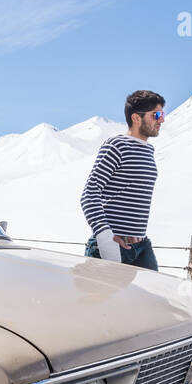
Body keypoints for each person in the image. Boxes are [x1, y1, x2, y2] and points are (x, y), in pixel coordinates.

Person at [80, 90, 165, 271]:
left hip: (141, 246)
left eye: (162, 114)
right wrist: (105, 238)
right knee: (101, 300)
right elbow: (89, 193)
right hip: (112, 244)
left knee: (153, 297)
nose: (161, 120)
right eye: (156, 115)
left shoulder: (148, 151)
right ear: (136, 118)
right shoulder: (117, 145)